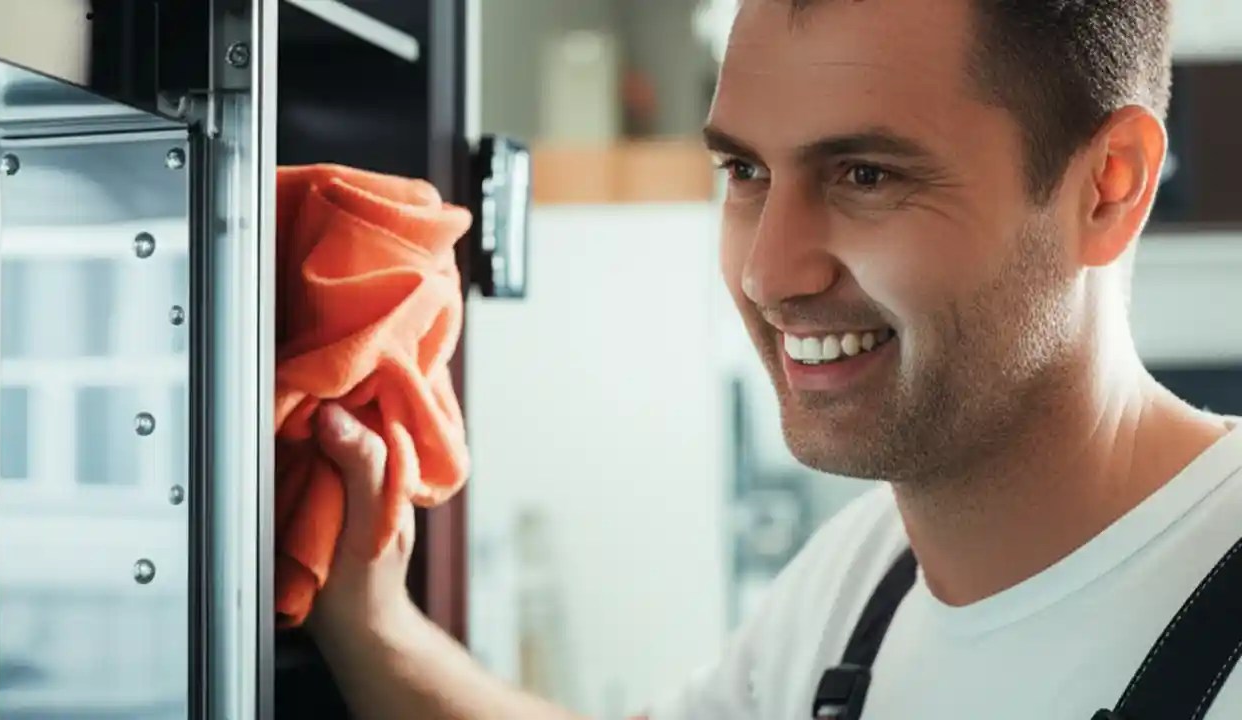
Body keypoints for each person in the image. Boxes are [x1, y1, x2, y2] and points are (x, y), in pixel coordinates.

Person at [305, 0, 1242, 717]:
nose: (766, 273)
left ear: (1110, 187)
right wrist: (374, 623)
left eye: (867, 176)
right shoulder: (861, 584)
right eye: (746, 172)